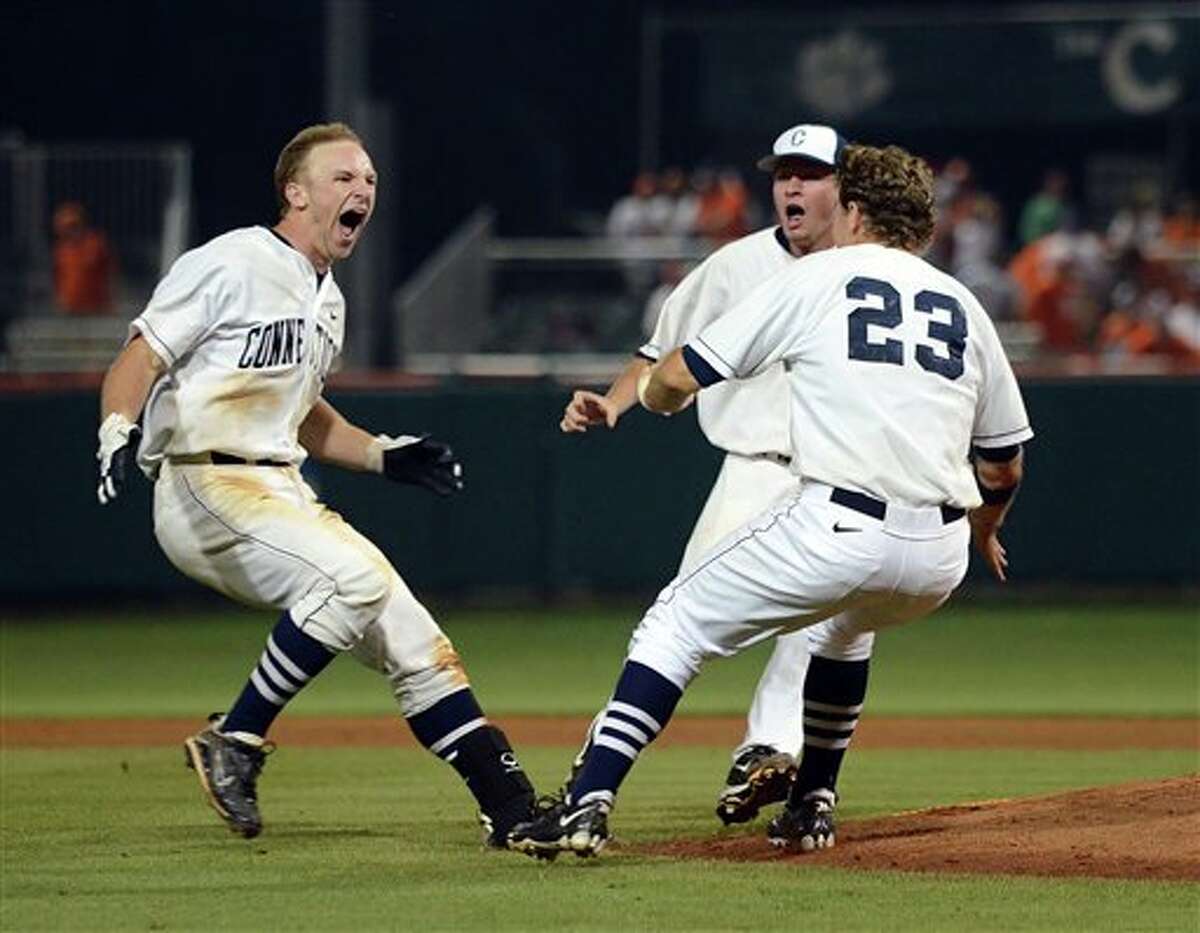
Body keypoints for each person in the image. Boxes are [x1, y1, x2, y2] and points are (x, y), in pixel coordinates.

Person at [510, 143, 1032, 860]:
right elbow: (1003, 461)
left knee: (676, 623)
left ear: (851, 210)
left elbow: (681, 372)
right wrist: (987, 525)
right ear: (924, 224)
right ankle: (812, 801)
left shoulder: (818, 276)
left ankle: (585, 802)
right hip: (939, 555)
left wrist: (657, 395)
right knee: (844, 630)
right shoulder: (965, 305)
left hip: (842, 520)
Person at [95, 123, 539, 846]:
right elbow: (141, 355)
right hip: (205, 480)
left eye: (369, 180)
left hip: (281, 490)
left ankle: (511, 807)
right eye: (343, 177)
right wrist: (116, 425)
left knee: (415, 639)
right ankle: (234, 738)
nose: (363, 188)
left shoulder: (328, 298)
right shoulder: (233, 260)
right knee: (354, 579)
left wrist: (382, 456)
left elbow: (301, 417)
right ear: (295, 192)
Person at [559, 124, 883, 833]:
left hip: (838, 481)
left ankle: (771, 751)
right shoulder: (734, 267)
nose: (792, 186)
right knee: (675, 625)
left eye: (811, 173)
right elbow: (656, 352)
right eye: (783, 174)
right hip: (752, 470)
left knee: (830, 623)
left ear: (844, 189)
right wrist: (612, 403)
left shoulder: (875, 271)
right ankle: (596, 771)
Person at [52, 201, 116, 314]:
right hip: (70, 308)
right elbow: (58, 276)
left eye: (73, 226)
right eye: (65, 228)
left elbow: (110, 273)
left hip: (96, 308)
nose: (70, 231)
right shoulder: (62, 250)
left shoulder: (96, 244)